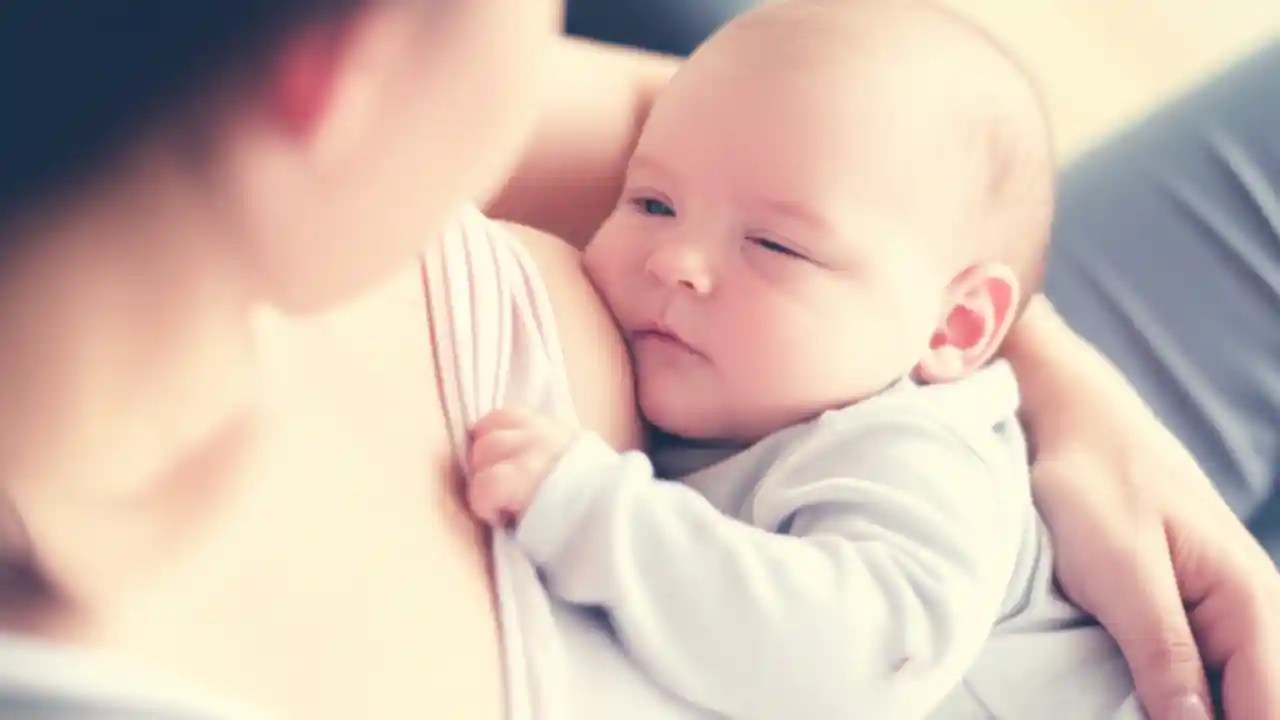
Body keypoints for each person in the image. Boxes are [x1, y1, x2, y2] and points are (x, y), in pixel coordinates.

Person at [0, 1, 1272, 718]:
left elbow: (756, 127)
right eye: (645, 208)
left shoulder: (152, 135)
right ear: (340, 63)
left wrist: (1048, 381)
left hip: (964, 437)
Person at [465, 3, 1136, 718]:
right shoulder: (764, 387)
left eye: (776, 246)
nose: (674, 262)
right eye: (653, 203)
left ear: (955, 324)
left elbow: (860, 661)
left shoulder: (912, 451)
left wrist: (596, 516)